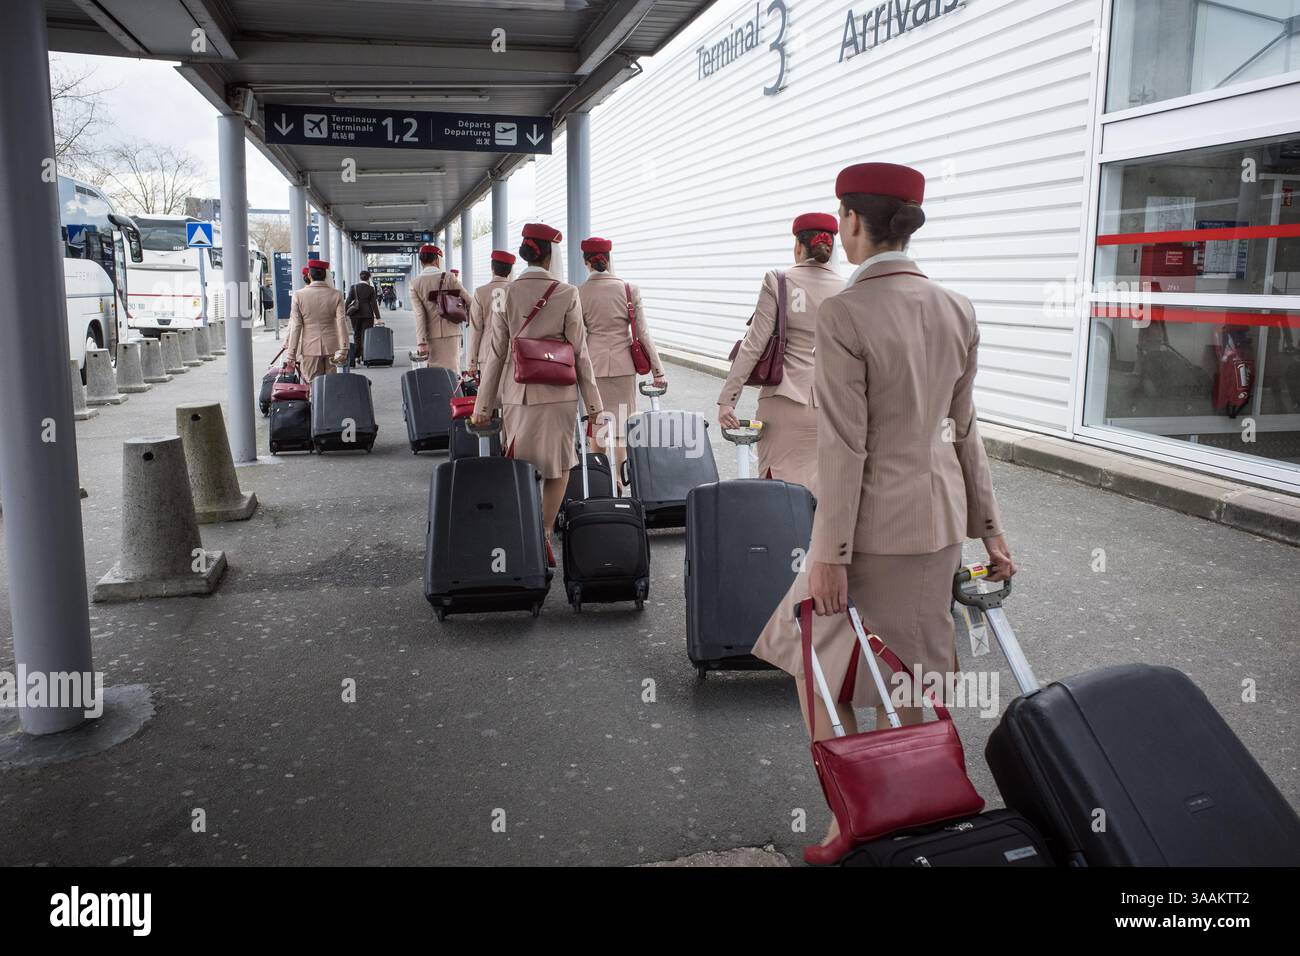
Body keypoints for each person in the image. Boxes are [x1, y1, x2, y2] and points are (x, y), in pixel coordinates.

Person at [750, 163, 1016, 866]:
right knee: (917, 671)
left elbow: (844, 446)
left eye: (843, 219)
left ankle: (858, 822)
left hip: (865, 531)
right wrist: (989, 529)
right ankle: (928, 814)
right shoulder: (957, 307)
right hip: (935, 523)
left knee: (815, 663)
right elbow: (967, 431)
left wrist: (830, 553)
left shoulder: (846, 313)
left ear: (855, 221)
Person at [470, 223, 604, 546]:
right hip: (560, 396)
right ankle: (544, 532)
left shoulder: (507, 294)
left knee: (519, 465)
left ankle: (523, 530)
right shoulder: (567, 293)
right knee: (558, 465)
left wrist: (482, 407)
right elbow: (580, 354)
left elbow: (496, 355)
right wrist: (595, 407)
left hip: (519, 395)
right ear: (549, 255)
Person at [717, 213, 843, 492]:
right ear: (832, 248)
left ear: (799, 246)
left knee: (778, 491)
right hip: (834, 407)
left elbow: (754, 344)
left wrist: (728, 399)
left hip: (785, 402)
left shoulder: (778, 281)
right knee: (826, 493)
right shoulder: (848, 288)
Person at [576, 237, 666, 485]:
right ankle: (619, 475)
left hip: (593, 365)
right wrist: (657, 371)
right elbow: (644, 332)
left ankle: (600, 478)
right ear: (609, 258)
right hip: (624, 365)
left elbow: (577, 334)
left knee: (598, 422)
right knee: (623, 421)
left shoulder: (579, 292)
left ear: (586, 262)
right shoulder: (629, 289)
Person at [284, 258, 349, 383]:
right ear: (325, 275)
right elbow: (341, 322)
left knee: (313, 384)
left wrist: (291, 355)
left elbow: (296, 326)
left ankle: (315, 402)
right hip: (332, 347)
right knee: (330, 384)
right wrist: (344, 348)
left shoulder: (298, 295)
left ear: (309, 275)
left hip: (309, 348)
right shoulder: (337, 294)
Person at [411, 243, 470, 370]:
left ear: (421, 261)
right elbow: (468, 300)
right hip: (451, 332)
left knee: (434, 372)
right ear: (437, 260)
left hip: (430, 335)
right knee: (453, 370)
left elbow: (419, 315)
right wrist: (471, 321)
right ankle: (453, 390)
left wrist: (421, 341)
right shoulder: (449, 277)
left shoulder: (415, 284)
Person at [469, 251, 515, 377]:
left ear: (492, 268)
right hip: (513, 353)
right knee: (511, 395)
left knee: (489, 395)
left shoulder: (480, 292)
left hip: (487, 353)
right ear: (510, 271)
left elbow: (476, 329)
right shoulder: (518, 292)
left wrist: (472, 361)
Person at [345, 269, 382, 366]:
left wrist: (344, 311)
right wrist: (378, 317)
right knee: (366, 336)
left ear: (360, 277)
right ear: (368, 278)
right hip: (368, 314)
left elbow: (348, 300)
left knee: (357, 334)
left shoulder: (354, 287)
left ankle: (357, 356)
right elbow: (374, 304)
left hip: (355, 314)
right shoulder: (371, 289)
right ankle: (364, 356)